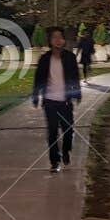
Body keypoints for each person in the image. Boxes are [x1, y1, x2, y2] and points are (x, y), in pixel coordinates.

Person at [30, 26, 82, 174]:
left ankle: (66, 151)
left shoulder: (70, 57)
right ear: (50, 40)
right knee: (52, 132)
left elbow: (75, 77)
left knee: (68, 131)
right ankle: (55, 161)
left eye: (60, 37)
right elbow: (39, 79)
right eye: (55, 37)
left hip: (65, 101)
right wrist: (36, 96)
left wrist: (77, 93)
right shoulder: (45, 59)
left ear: (64, 40)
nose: (58, 40)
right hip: (50, 101)